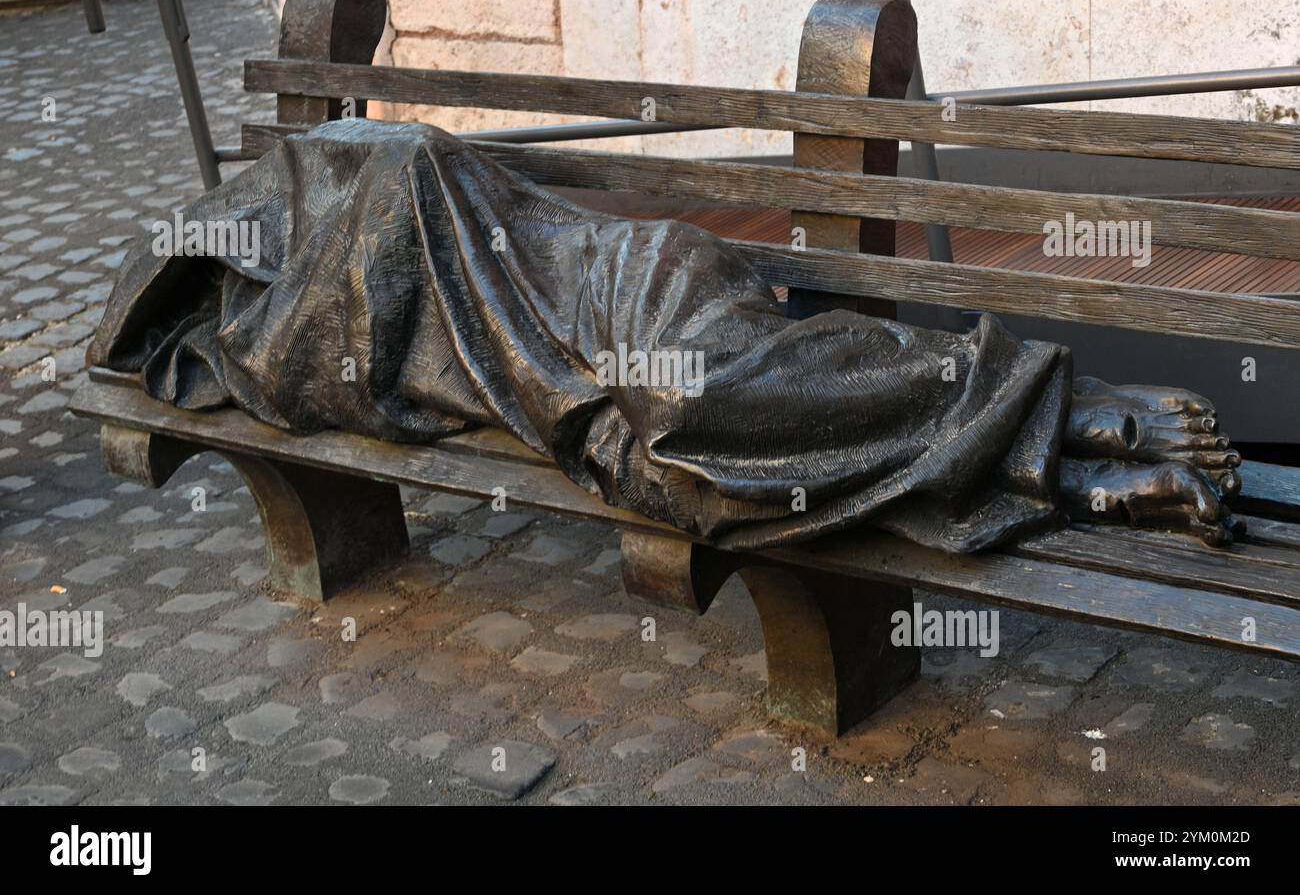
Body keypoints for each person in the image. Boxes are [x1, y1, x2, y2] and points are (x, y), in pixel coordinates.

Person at [89, 118, 1242, 553]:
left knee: (704, 406)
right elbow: (286, 371)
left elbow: (410, 175)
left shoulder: (358, 176)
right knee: (688, 481)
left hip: (624, 296)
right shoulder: (262, 352)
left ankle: (1068, 405)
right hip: (570, 411)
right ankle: (1074, 485)